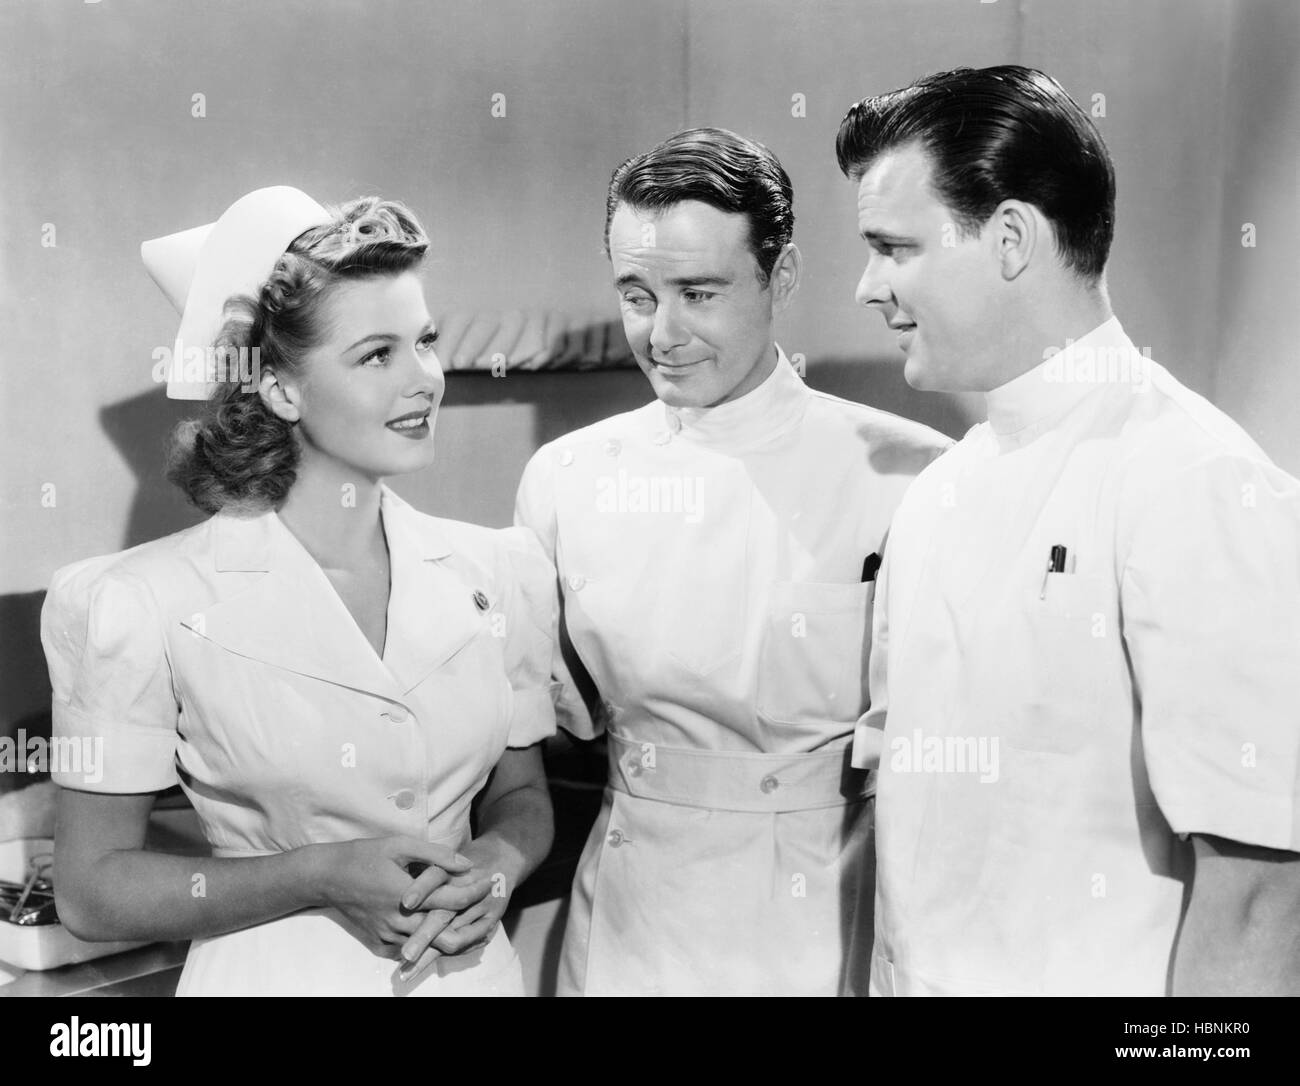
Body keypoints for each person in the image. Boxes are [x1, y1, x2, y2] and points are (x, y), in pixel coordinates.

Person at [838, 66, 1300, 996]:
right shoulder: (935, 498)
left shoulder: (1196, 480)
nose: (865, 287)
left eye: (894, 248)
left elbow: (1260, 895)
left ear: (1010, 237)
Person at [41, 187, 560, 996]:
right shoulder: (141, 602)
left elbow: (522, 797)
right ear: (281, 389)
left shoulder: (498, 571)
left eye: (425, 341)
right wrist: (317, 875)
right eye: (377, 354)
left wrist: (496, 864)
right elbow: (91, 891)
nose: (425, 379)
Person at [515, 128, 950, 996]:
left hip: (827, 907)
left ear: (779, 276)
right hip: (635, 914)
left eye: (699, 293)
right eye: (637, 295)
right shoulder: (564, 479)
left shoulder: (909, 474)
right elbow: (550, 732)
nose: (663, 333)